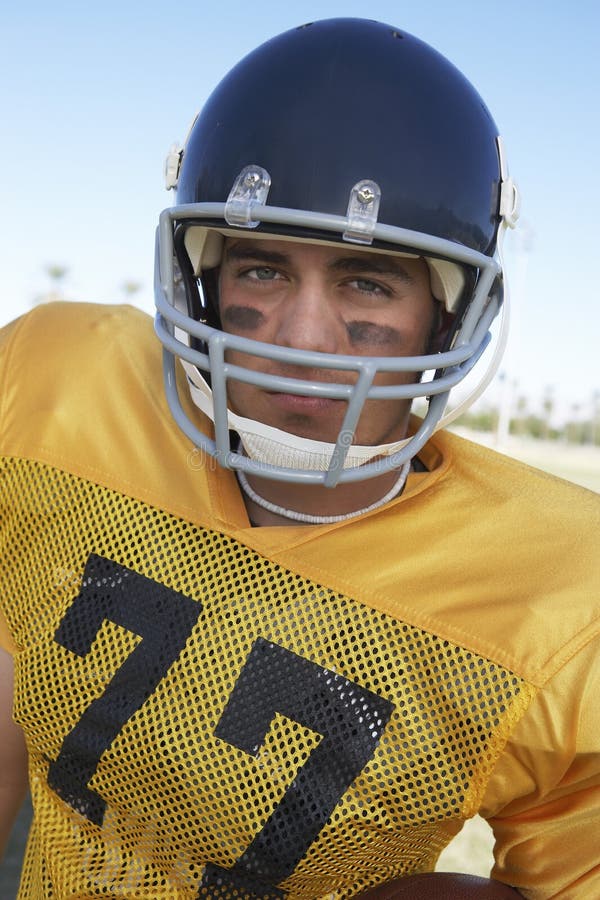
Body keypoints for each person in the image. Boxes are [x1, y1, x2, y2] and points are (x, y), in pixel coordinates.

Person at [0, 17, 598, 900]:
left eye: (368, 280)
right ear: (202, 279)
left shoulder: (558, 590)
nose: (304, 339)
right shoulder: (62, 379)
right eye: (263, 270)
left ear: (448, 314)